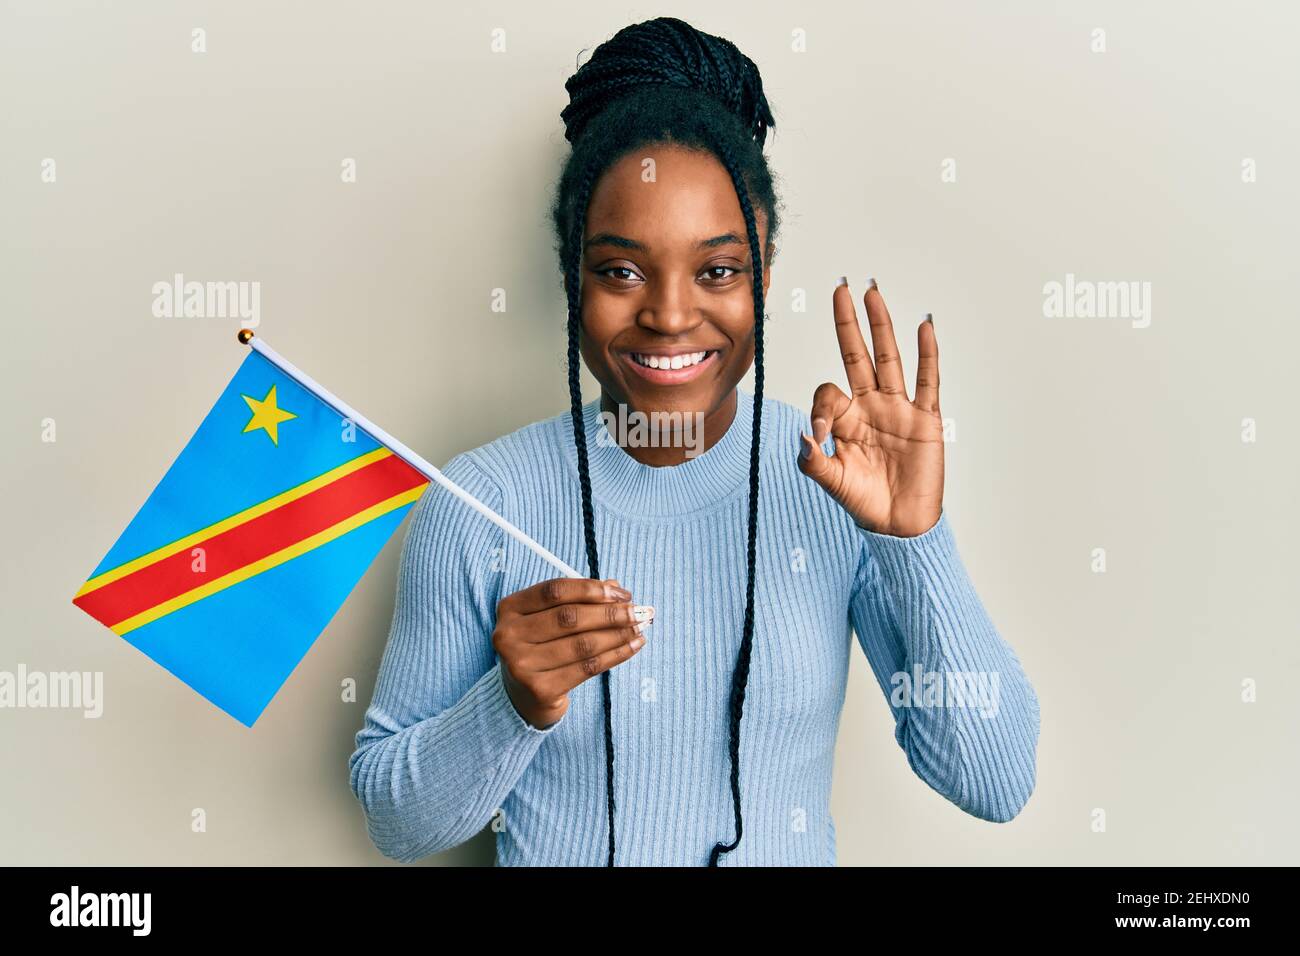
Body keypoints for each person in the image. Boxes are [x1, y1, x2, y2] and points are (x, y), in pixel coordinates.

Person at [348, 16, 1040, 867]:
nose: (670, 315)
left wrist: (915, 543)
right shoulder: (481, 501)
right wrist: (510, 706)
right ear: (572, 274)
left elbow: (995, 779)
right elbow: (395, 823)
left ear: (764, 275)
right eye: (620, 270)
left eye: (718, 270)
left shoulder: (832, 478)